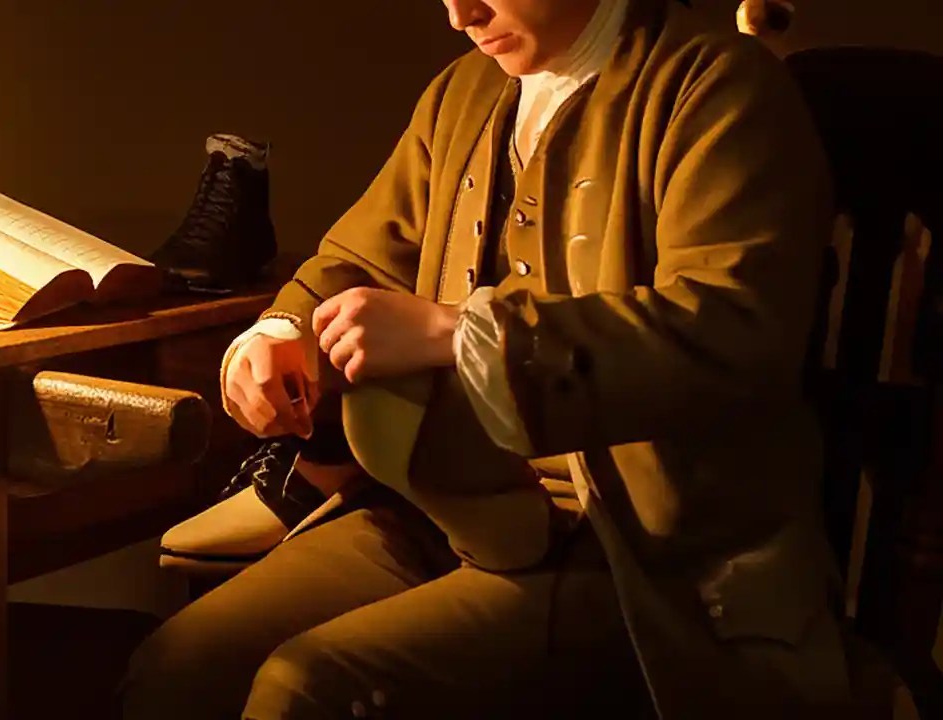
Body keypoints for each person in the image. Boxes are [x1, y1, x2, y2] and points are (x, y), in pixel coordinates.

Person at [123, 0, 851, 717]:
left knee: (309, 687)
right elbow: (357, 257)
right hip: (441, 509)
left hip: (633, 549)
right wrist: (281, 329)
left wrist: (455, 333)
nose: (460, 15)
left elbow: (733, 330)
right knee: (183, 667)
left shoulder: (716, 86)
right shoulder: (462, 92)